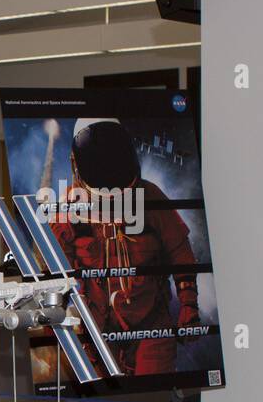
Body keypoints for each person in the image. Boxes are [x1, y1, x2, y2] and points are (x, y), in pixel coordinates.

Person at [51, 119, 200, 376]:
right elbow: (54, 273)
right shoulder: (66, 210)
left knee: (155, 396)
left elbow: (180, 251)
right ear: (77, 163)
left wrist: (189, 305)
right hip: (95, 333)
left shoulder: (151, 197)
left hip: (151, 323)